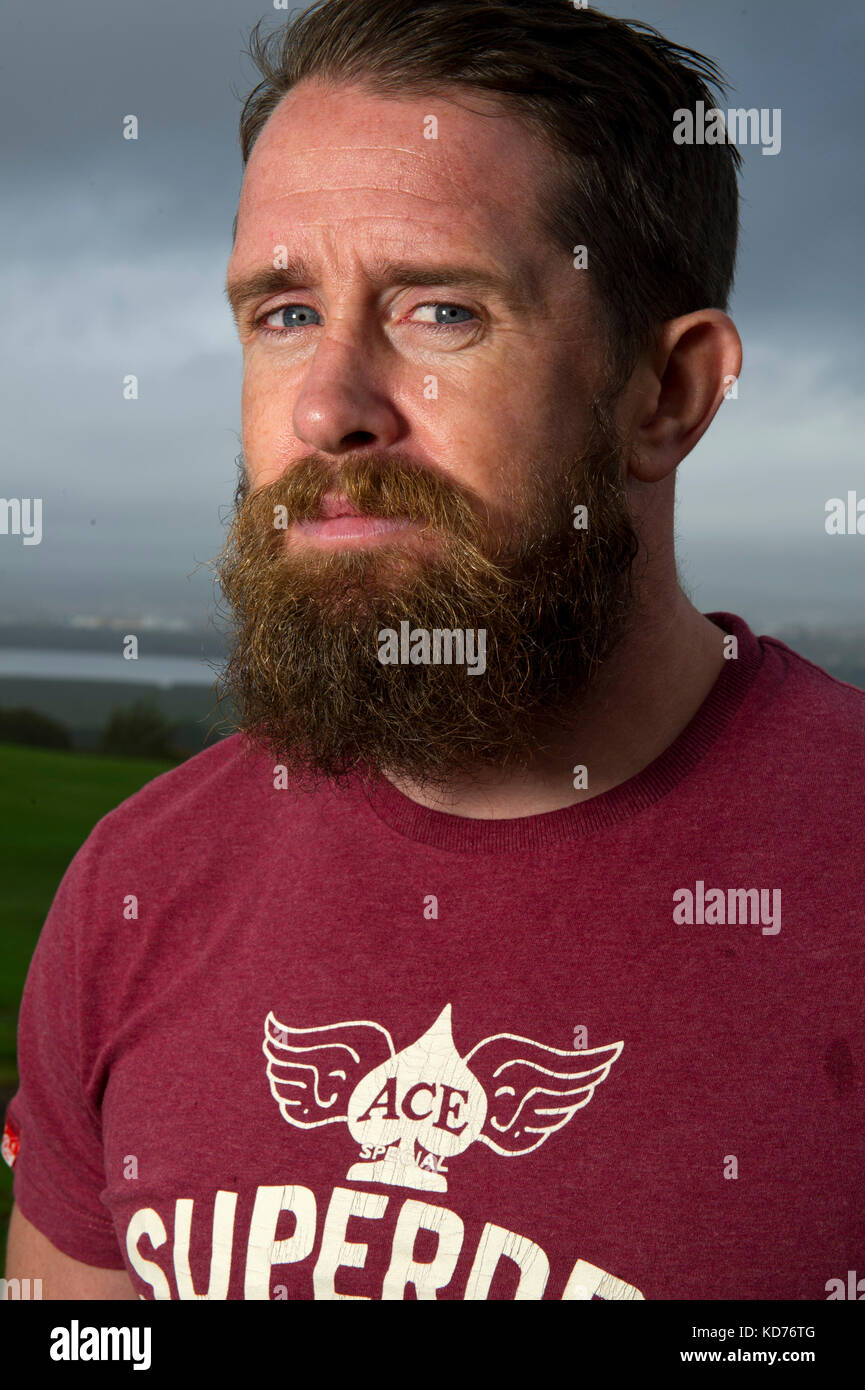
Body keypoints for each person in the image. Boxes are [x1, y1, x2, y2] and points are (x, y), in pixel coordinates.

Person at [4, 0, 862, 1301]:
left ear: (667, 393)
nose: (326, 407)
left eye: (441, 310)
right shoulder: (137, 885)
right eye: (284, 311)